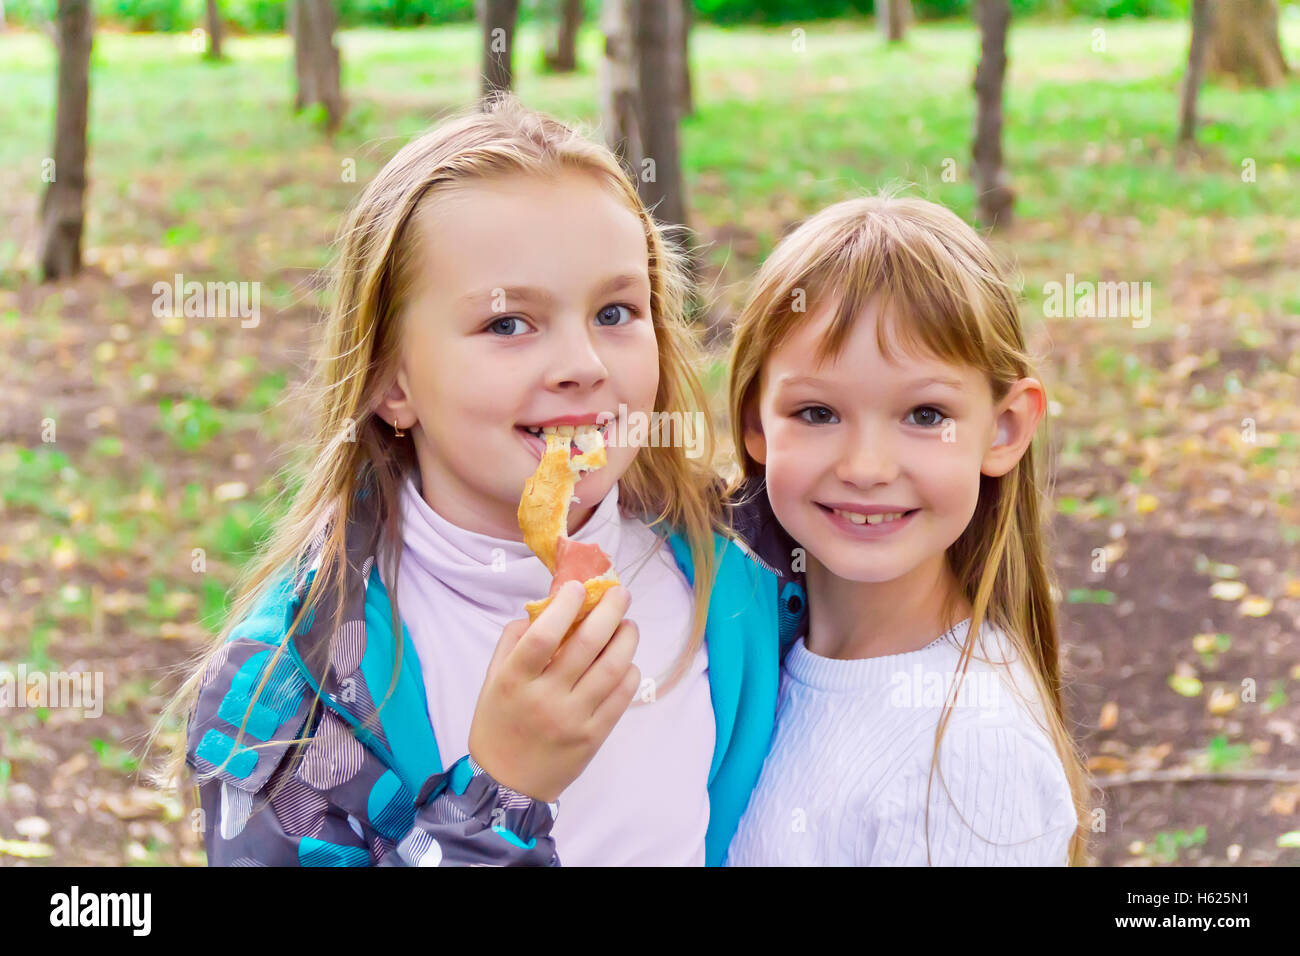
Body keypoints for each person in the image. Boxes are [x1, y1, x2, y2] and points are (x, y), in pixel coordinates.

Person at [147, 95, 806, 867]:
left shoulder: (751, 578)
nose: (583, 367)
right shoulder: (290, 691)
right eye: (507, 324)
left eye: (616, 312)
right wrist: (502, 790)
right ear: (393, 382)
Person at [723, 194, 1090, 866]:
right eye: (816, 412)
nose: (866, 468)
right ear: (756, 425)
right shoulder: (740, 656)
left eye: (924, 415)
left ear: (1004, 428)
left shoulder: (971, 755)